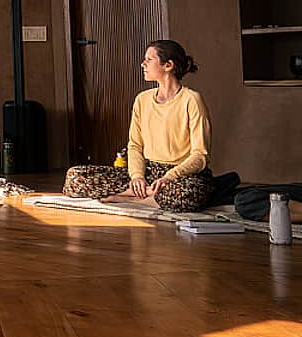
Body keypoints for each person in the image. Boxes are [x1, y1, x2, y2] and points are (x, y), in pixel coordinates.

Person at [63, 40, 214, 212]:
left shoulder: (191, 99)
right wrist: (137, 177)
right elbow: (135, 145)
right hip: (148, 171)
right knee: (75, 177)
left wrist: (170, 177)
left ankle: (133, 198)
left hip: (182, 175)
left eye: (149, 59)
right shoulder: (142, 99)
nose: (143, 64)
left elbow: (200, 155)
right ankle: (147, 195)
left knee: (187, 195)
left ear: (168, 65)